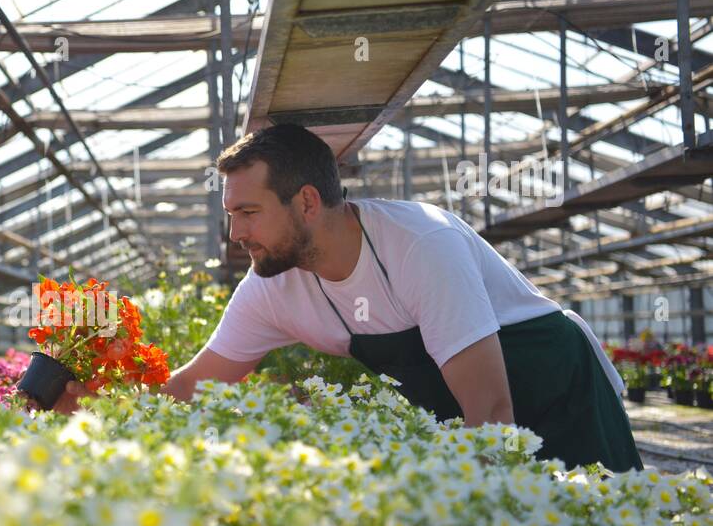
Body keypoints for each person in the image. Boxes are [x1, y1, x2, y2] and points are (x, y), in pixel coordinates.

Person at [52, 122, 642, 472]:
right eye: (231, 215)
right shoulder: (272, 286)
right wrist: (97, 411)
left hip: (555, 387)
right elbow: (194, 385)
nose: (236, 235)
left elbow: (491, 417)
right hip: (480, 411)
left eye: (249, 213)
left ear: (307, 202)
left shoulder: (420, 246)